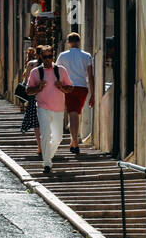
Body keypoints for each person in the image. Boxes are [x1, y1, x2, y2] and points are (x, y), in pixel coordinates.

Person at [27, 46, 73, 175]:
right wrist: (38, 87)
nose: (48, 59)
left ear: (53, 56)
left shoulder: (61, 70)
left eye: (50, 56)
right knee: (46, 135)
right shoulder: (36, 72)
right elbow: (28, 91)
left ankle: (48, 157)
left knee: (58, 138)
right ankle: (47, 163)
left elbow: (70, 88)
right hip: (43, 107)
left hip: (58, 108)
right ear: (41, 57)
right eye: (45, 57)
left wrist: (62, 86)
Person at [56, 32, 95, 156]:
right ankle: (73, 142)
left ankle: (74, 142)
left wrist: (59, 87)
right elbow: (90, 76)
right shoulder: (86, 56)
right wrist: (93, 94)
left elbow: (56, 73)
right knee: (76, 114)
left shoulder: (62, 56)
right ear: (79, 42)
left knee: (72, 114)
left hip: (67, 87)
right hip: (82, 88)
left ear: (68, 43)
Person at [19, 48, 43, 159]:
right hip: (48, 96)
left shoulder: (31, 64)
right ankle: (45, 145)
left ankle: (40, 147)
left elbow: (26, 82)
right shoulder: (51, 66)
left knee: (36, 123)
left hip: (34, 96)